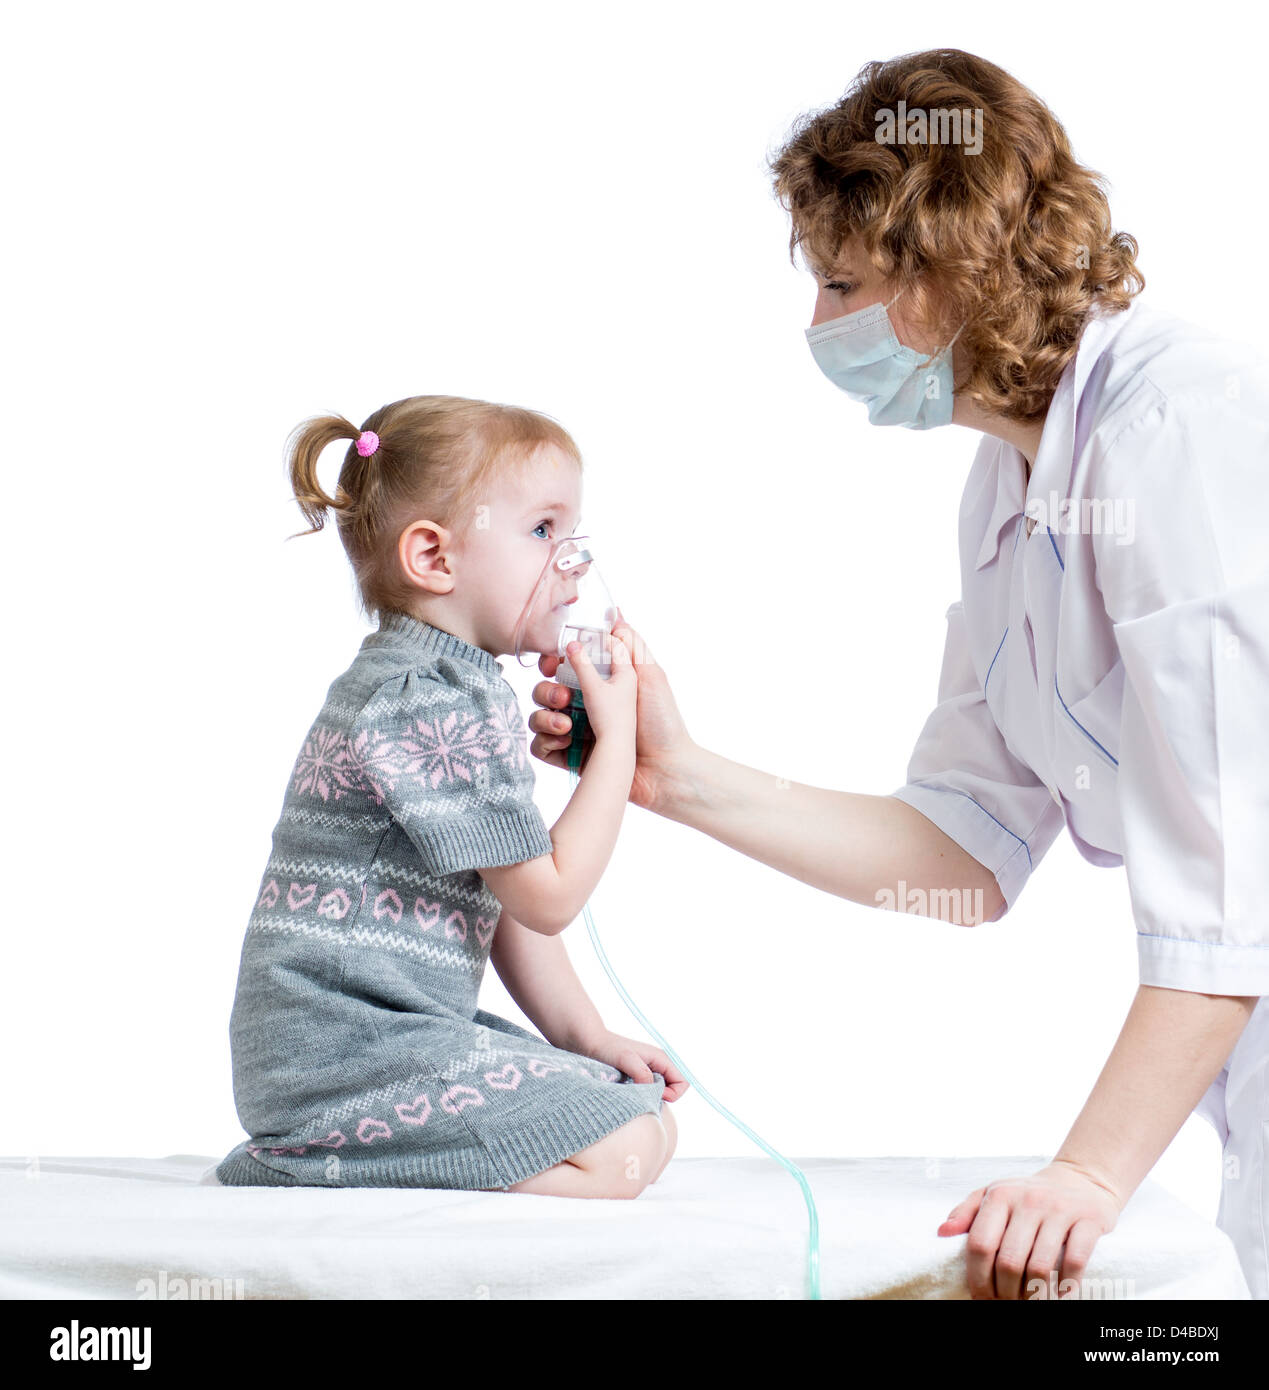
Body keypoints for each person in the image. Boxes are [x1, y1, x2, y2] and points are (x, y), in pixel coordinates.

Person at [526, 49, 1269, 1299]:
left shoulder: (1174, 429)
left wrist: (1085, 1178)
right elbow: (965, 859)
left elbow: (1236, 873)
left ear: (954, 265)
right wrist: (677, 775)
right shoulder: (1008, 492)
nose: (820, 328)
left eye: (842, 282)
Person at [214, 396, 686, 1198]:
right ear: (433, 557)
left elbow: (503, 901)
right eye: (543, 530)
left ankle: (332, 1152)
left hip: (381, 1043)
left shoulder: (457, 689)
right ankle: (304, 1160)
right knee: (623, 1149)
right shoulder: (417, 701)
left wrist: (588, 1037)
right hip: (340, 1056)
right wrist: (614, 748)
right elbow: (548, 897)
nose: (572, 557)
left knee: (636, 1115)